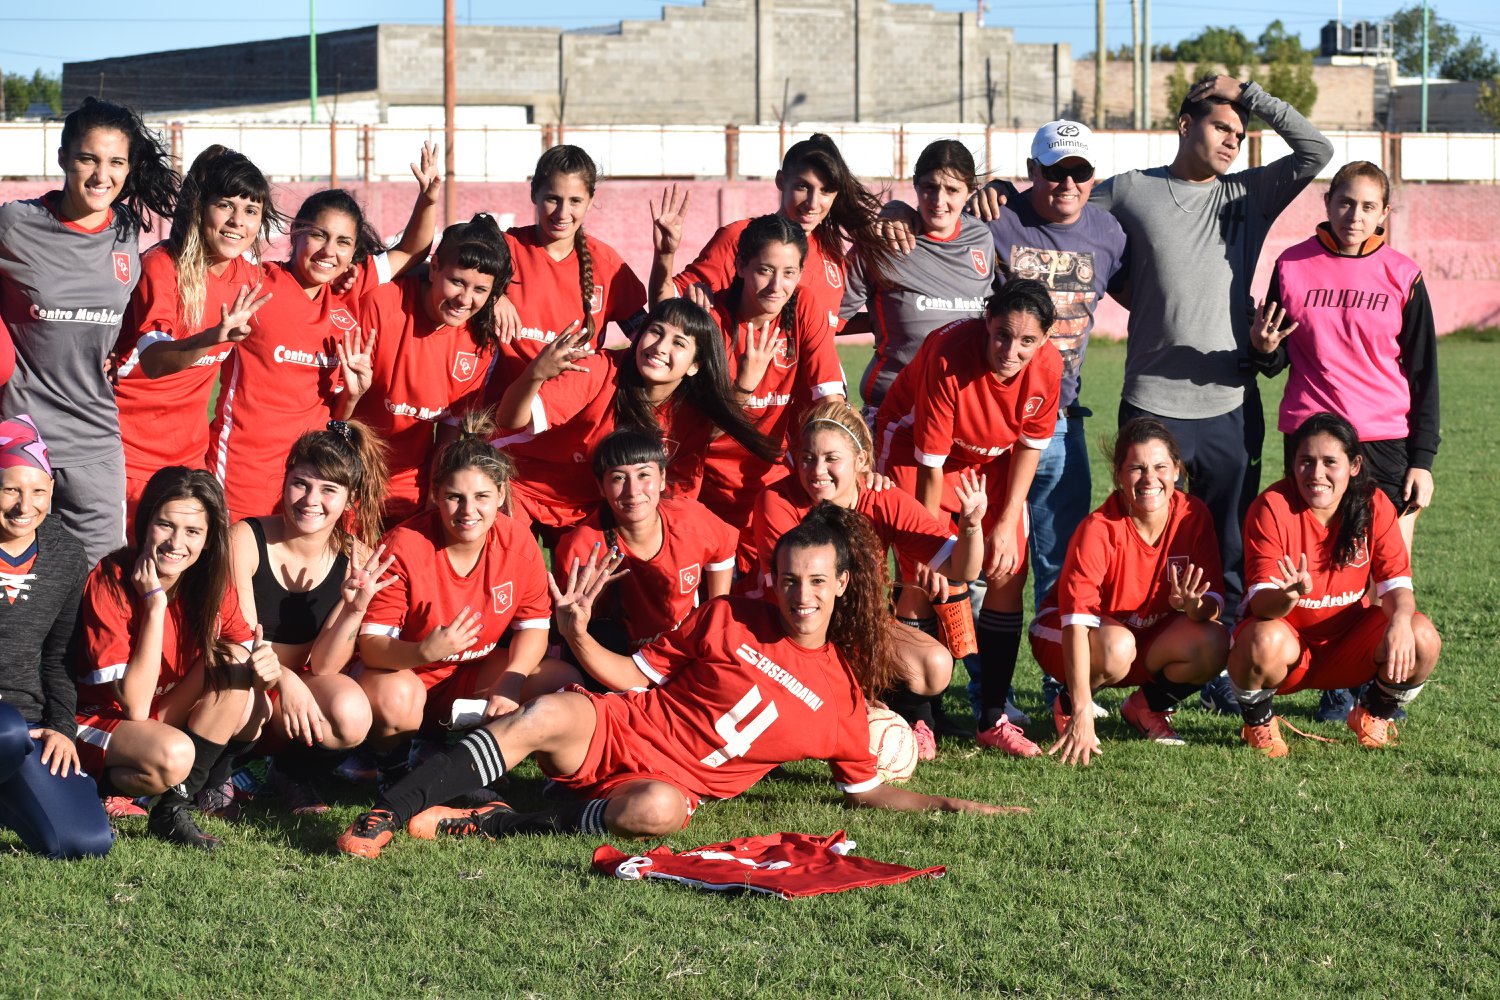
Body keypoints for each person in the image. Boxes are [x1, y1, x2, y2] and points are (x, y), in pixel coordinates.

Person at [336, 503, 1023, 859]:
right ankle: (386, 813)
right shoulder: (728, 616)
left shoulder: (844, 700)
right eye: (789, 579)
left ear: (843, 585)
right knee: (546, 712)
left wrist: (956, 806)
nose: (800, 595)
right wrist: (575, 634)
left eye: (817, 582)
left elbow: (869, 793)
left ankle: (503, 822)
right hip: (621, 728)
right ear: (774, 579)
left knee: (657, 816)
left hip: (668, 785)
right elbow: (628, 677)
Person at [1252, 160, 1441, 724]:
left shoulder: (1404, 275)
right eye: (1344, 202)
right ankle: (1328, 680)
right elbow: (1275, 355)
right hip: (1310, 434)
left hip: (1383, 439)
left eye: (1367, 206)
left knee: (1376, 563)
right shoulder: (1292, 266)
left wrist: (1422, 460)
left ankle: (1369, 684)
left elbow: (1424, 374)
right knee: (1315, 556)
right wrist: (1264, 348)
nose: (1354, 215)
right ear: (1327, 203)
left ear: (1384, 212)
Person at [874, 279, 1062, 756]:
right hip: (915, 457)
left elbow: (1028, 449)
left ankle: (993, 715)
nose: (1011, 350)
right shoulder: (948, 355)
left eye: (1026, 341)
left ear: (1044, 339)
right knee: (921, 579)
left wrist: (1005, 522)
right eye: (1002, 334)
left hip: (990, 463)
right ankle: (917, 717)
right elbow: (930, 465)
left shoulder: (1049, 367)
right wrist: (931, 550)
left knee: (1007, 569)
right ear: (987, 323)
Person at [207, 144, 440, 522]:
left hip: (310, 477)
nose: (329, 251)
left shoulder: (351, 291)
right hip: (242, 471)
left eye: (343, 242)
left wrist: (428, 199)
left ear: (353, 252)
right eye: (319, 235)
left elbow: (412, 251)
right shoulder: (256, 282)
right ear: (296, 232)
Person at [743, 399, 986, 751]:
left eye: (832, 459)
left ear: (860, 462)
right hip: (786, 630)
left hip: (858, 628)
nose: (817, 470)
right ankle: (839, 704)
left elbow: (962, 569)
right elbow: (795, 603)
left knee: (934, 665)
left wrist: (971, 526)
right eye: (808, 457)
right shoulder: (777, 501)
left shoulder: (882, 498)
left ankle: (903, 714)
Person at [0, 97, 178, 564]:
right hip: (21, 431)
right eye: (88, 159)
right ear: (62, 158)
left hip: (95, 436)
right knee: (17, 580)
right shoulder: (16, 224)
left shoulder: (125, 231)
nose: (102, 175)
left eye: (116, 162)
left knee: (99, 576)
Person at [354, 413, 567, 788]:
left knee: (560, 678)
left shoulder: (517, 541)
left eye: (482, 497)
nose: (469, 511)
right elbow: (370, 648)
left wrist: (510, 682)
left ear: (501, 495)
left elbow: (534, 626)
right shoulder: (403, 546)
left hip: (467, 676)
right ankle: (392, 767)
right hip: (406, 674)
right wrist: (423, 652)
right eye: (455, 497)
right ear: (436, 496)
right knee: (398, 696)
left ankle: (485, 760)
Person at [73, 467, 280, 848]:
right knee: (173, 754)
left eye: (192, 532)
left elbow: (248, 664)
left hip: (163, 717)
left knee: (245, 685)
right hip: (101, 720)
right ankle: (85, 790)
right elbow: (134, 707)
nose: (175, 542)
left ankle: (171, 810)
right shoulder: (112, 576)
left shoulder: (211, 582)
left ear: (208, 538)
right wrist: (154, 606)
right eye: (165, 525)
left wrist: (265, 674)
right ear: (144, 522)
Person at [1229, 413, 1441, 757]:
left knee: (1423, 636)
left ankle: (1372, 714)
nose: (1317, 474)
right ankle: (1259, 723)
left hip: (1348, 646)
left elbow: (1397, 585)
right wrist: (1289, 596)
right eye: (1306, 461)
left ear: (1355, 465)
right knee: (1262, 639)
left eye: (1330, 462)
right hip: (1288, 654)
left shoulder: (1373, 504)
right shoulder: (1272, 507)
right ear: (1292, 464)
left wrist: (1401, 620)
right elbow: (1260, 606)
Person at [491, 297, 777, 543]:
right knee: (508, 560)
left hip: (592, 507)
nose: (660, 347)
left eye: (678, 342)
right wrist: (536, 374)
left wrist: (744, 387)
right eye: (655, 332)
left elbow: (678, 502)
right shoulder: (601, 369)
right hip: (522, 484)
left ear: (694, 366)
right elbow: (510, 419)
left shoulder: (691, 417)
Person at [1033, 418, 1228, 766]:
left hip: (1140, 637)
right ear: (1119, 475)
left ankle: (1146, 707)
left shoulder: (1193, 515)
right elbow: (1076, 624)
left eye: (1160, 467)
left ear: (1177, 470)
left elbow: (1213, 604)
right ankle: (1069, 702)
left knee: (1214, 641)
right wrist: (1082, 711)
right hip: (1071, 635)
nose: (1149, 479)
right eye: (1137, 468)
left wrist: (1196, 606)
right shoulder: (1099, 528)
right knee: (1117, 647)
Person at [228, 421, 390, 814]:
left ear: (349, 500)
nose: (310, 499)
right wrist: (285, 679)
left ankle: (290, 773)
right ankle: (217, 774)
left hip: (293, 692)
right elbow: (238, 635)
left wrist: (353, 608)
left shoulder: (357, 557)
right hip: (237, 677)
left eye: (329, 490)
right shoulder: (246, 538)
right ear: (285, 482)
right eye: (301, 483)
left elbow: (325, 665)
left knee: (351, 716)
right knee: (241, 682)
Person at [649, 210, 846, 528]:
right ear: (740, 266)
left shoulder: (803, 307)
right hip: (703, 485)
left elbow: (831, 400)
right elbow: (696, 432)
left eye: (789, 273)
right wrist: (743, 387)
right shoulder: (712, 318)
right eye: (765, 270)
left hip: (773, 484)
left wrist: (850, 466)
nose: (777, 285)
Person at [113, 145, 279, 523]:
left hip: (188, 457)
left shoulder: (249, 278)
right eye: (225, 205)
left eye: (251, 211)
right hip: (127, 452)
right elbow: (154, 361)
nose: (238, 221)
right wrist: (211, 337)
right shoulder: (161, 267)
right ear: (200, 207)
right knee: (123, 568)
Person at [0, 416, 112, 859]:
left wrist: (64, 728)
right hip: (6, 729)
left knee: (83, 842)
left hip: (26, 727)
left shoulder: (65, 553)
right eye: (9, 489)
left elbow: (60, 657)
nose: (24, 506)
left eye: (38, 491)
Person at [353, 213, 511, 523]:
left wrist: (433, 494)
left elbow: (449, 430)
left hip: (411, 481)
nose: (465, 299)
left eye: (480, 290)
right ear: (435, 267)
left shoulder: (480, 343)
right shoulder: (382, 303)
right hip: (351, 467)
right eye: (457, 282)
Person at [552, 428, 738, 677]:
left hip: (679, 651)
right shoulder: (582, 547)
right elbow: (569, 627)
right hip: (617, 662)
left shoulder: (691, 519)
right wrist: (589, 607)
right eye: (618, 478)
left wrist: (715, 615)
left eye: (643, 475)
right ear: (600, 486)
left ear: (662, 478)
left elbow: (723, 551)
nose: (633, 490)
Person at [661, 133, 889, 336]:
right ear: (781, 181)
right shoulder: (739, 237)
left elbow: (827, 326)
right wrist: (666, 259)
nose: (813, 203)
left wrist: (894, 320)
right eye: (802, 187)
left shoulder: (831, 253)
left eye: (825, 191)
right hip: (746, 382)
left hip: (814, 383)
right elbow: (666, 303)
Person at [839, 139, 996, 414]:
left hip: (963, 412)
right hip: (894, 409)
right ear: (915, 184)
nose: (939, 201)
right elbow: (825, 320)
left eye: (952, 190)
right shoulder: (881, 240)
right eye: (930, 187)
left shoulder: (982, 237)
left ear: (971, 191)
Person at [490, 144, 647, 386]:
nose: (563, 213)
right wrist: (492, 296)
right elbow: (440, 271)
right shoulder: (504, 247)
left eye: (575, 201)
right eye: (553, 199)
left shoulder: (607, 264)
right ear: (534, 193)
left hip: (574, 413)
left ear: (590, 200)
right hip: (499, 411)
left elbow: (644, 336)